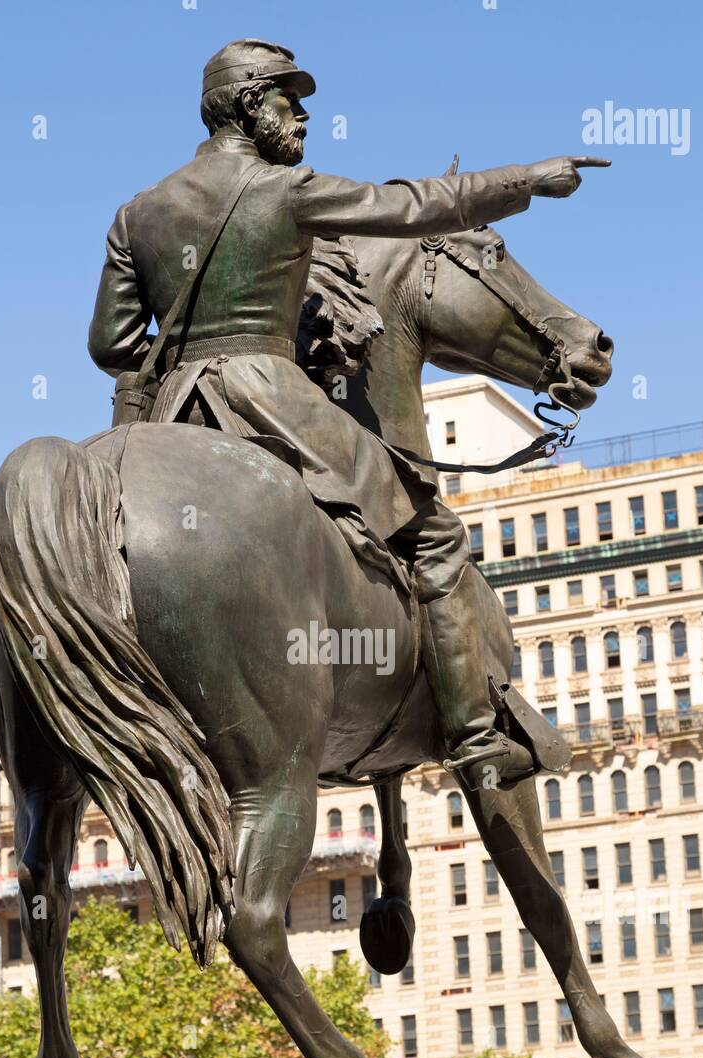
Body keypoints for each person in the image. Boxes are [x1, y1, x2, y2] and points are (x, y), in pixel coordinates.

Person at [89, 38, 608, 789]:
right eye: (283, 98)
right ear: (245, 106)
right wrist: (527, 178)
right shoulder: (286, 190)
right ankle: (473, 733)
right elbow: (414, 207)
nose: (299, 114)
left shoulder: (136, 214)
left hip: (173, 414)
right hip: (270, 395)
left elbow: (110, 345)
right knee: (432, 533)